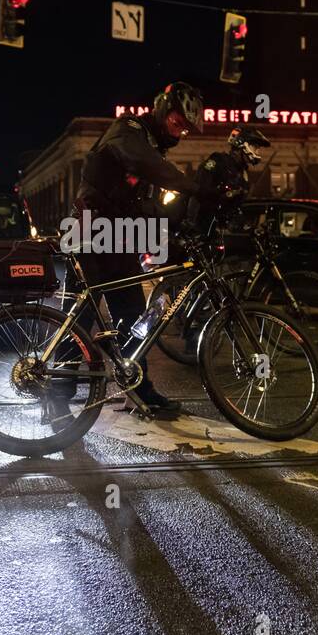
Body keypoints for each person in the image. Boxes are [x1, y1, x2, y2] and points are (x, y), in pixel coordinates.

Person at [71, 81, 203, 416]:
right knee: (79, 317)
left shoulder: (151, 147)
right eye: (178, 123)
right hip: (90, 234)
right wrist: (192, 186)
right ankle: (56, 389)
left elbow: (143, 205)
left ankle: (139, 388)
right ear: (163, 109)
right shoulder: (128, 129)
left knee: (132, 318)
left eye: (185, 130)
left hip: (117, 239)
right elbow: (140, 161)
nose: (180, 132)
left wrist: (178, 228)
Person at [194, 125, 271, 226]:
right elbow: (198, 191)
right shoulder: (218, 162)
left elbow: (237, 207)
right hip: (201, 225)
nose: (257, 152)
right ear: (242, 144)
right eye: (255, 147)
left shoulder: (243, 173)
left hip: (222, 228)